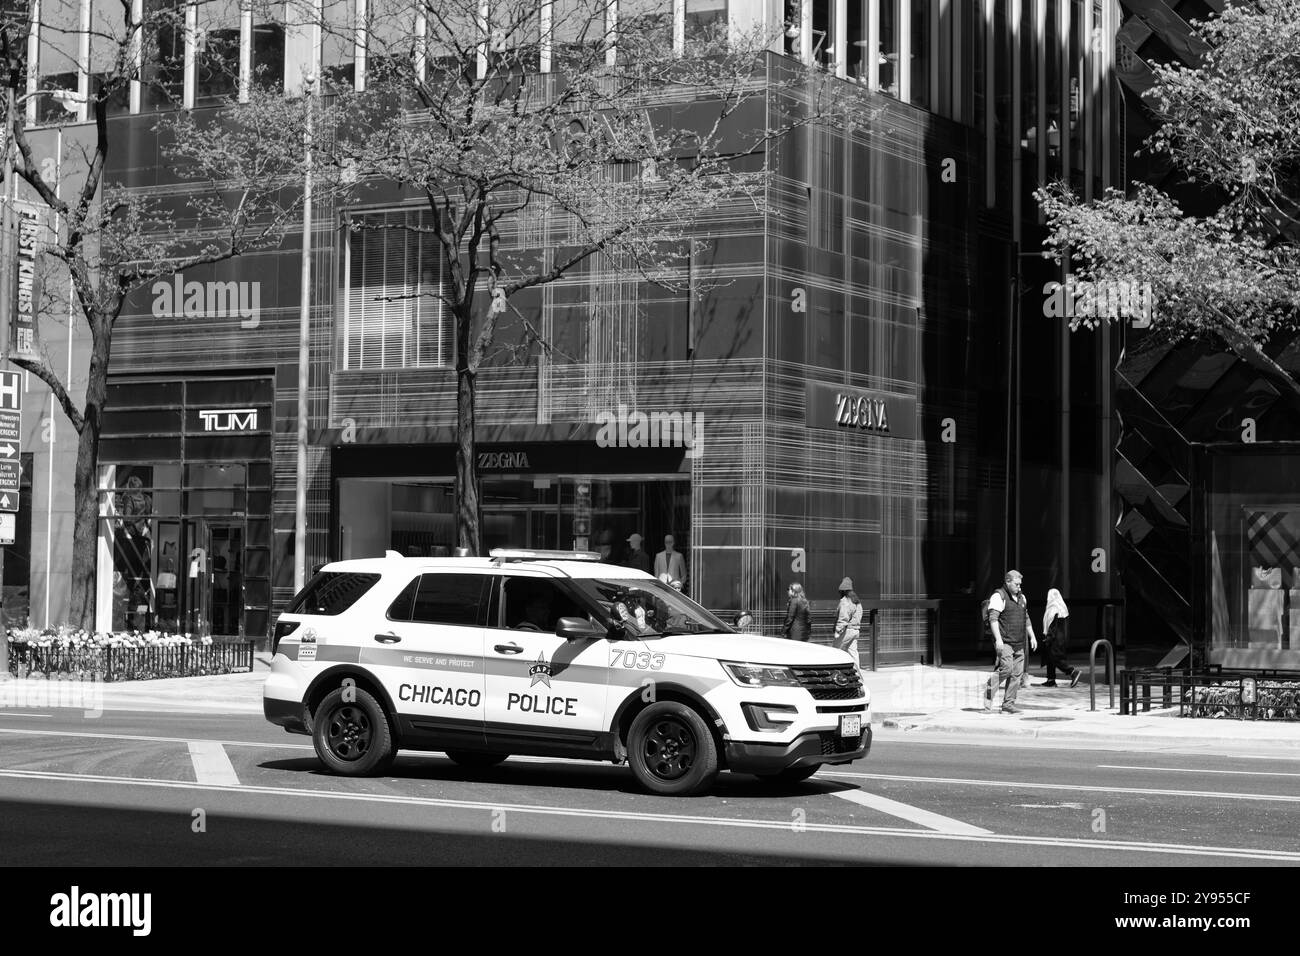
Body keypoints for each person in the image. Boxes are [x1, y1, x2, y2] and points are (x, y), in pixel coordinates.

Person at [984, 570, 1038, 714]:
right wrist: (998, 640)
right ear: (1008, 582)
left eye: (1020, 584)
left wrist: (1032, 636)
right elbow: (993, 619)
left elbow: (1025, 618)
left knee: (1017, 674)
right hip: (1005, 641)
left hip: (1019, 642)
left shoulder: (1022, 598)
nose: (1019, 587)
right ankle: (990, 686)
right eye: (1016, 584)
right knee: (1007, 668)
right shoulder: (998, 596)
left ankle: (1008, 704)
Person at [1041, 588, 1080, 687]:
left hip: (1055, 638)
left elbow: (1053, 625)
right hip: (1060, 637)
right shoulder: (1061, 607)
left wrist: (1049, 637)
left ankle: (1072, 671)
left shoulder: (1053, 608)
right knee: (1050, 658)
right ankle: (1051, 680)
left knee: (1056, 658)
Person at [833, 577, 863, 664]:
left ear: (842, 591)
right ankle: (857, 673)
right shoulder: (857, 601)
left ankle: (835, 673)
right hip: (855, 631)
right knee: (853, 655)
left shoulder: (845, 601)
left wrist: (837, 631)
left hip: (847, 631)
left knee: (835, 652)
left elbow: (843, 617)